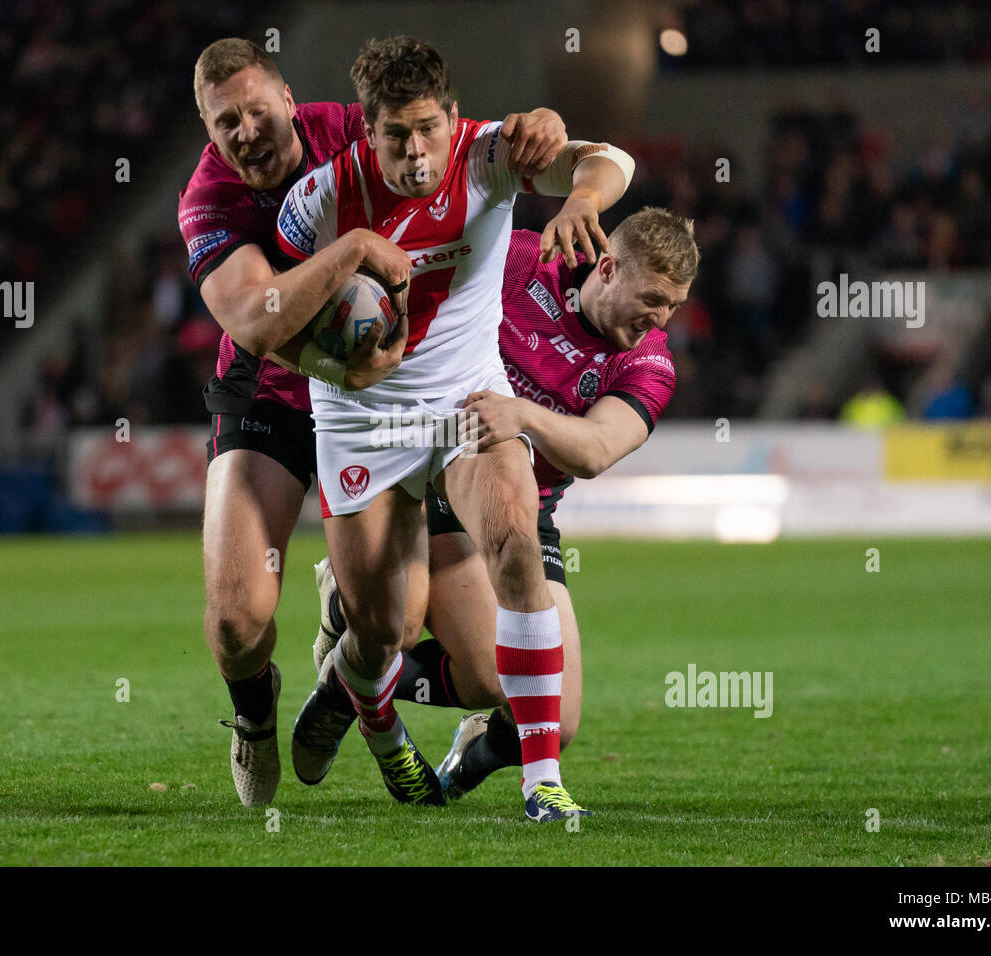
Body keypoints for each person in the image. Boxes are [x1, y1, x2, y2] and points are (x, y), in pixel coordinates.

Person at [178, 36, 568, 807]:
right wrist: (353, 261)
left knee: (477, 663)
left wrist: (548, 137)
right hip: (273, 395)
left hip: (396, 396)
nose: (247, 131)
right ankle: (255, 721)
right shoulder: (207, 202)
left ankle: (352, 645)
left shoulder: (361, 131)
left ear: (291, 101)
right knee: (236, 620)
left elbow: (456, 152)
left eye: (259, 111)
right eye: (227, 123)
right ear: (208, 129)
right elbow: (257, 322)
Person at [275, 36, 634, 820]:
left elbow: (610, 160)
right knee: (384, 629)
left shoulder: (489, 156)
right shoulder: (317, 203)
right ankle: (369, 712)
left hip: (468, 406)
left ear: (452, 117)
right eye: (396, 134)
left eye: (429, 128)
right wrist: (340, 365)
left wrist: (580, 197)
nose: (416, 150)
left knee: (515, 542)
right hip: (362, 420)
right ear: (366, 132)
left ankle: (543, 784)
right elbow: (270, 324)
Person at [297, 207, 694, 803]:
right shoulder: (520, 260)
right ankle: (359, 645)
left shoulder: (648, 362)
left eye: (674, 307)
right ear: (608, 268)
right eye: (654, 299)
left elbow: (595, 449)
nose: (661, 320)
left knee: (556, 723)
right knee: (434, 645)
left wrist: (522, 414)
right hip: (440, 474)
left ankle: (446, 744)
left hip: (527, 511)